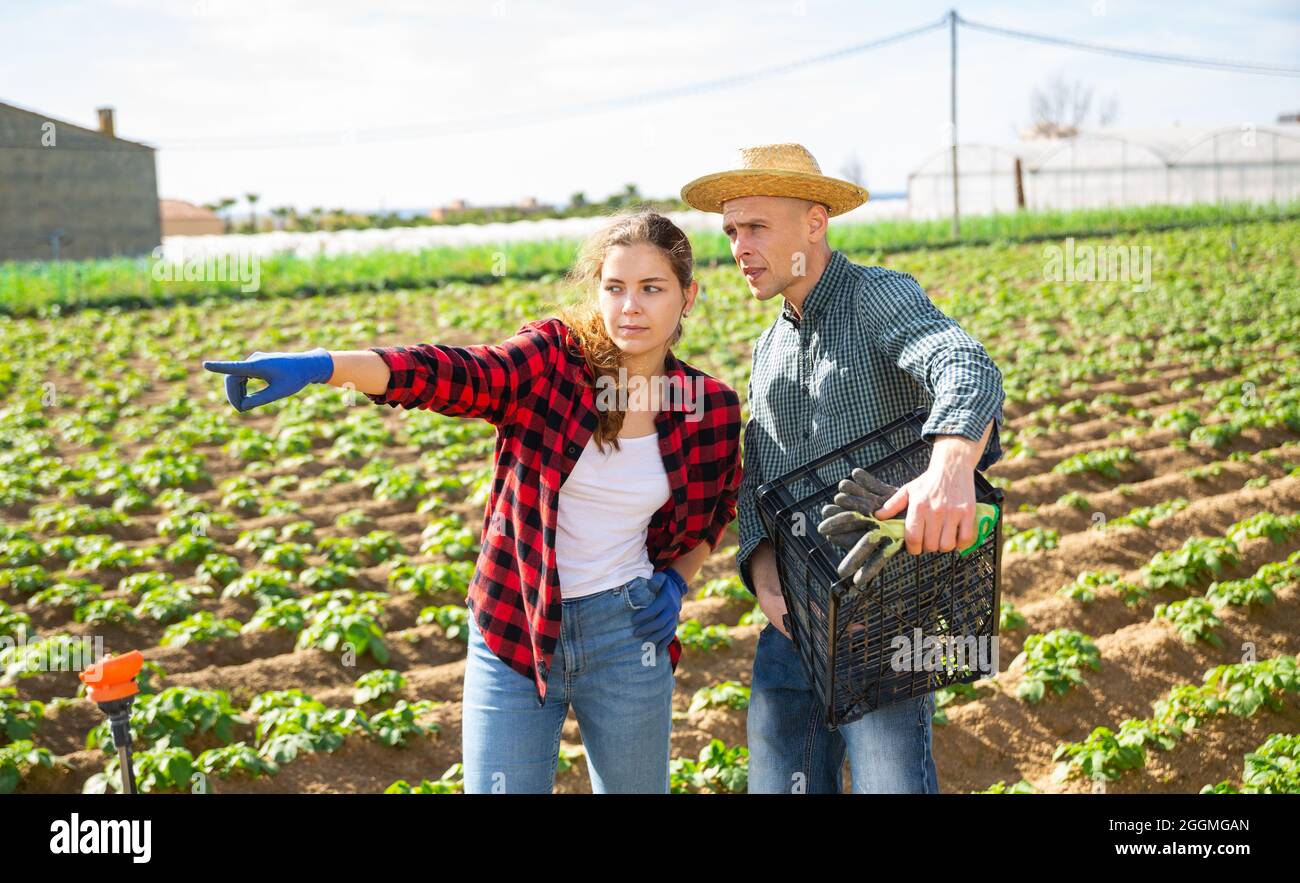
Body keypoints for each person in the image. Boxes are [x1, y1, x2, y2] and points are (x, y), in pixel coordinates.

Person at [203, 208, 744, 793]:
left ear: (687, 297)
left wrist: (677, 581)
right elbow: (449, 372)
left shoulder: (705, 405)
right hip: (517, 624)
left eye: (651, 289)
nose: (630, 307)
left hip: (630, 635)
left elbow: (715, 511)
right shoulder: (550, 361)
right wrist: (324, 366)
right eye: (614, 288)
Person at [680, 143, 1006, 794]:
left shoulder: (875, 297)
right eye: (731, 232)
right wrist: (764, 571)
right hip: (792, 625)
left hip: (884, 617)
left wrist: (949, 468)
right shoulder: (768, 347)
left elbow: (965, 366)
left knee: (891, 782)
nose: (739, 247)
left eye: (756, 227)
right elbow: (760, 484)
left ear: (814, 221)